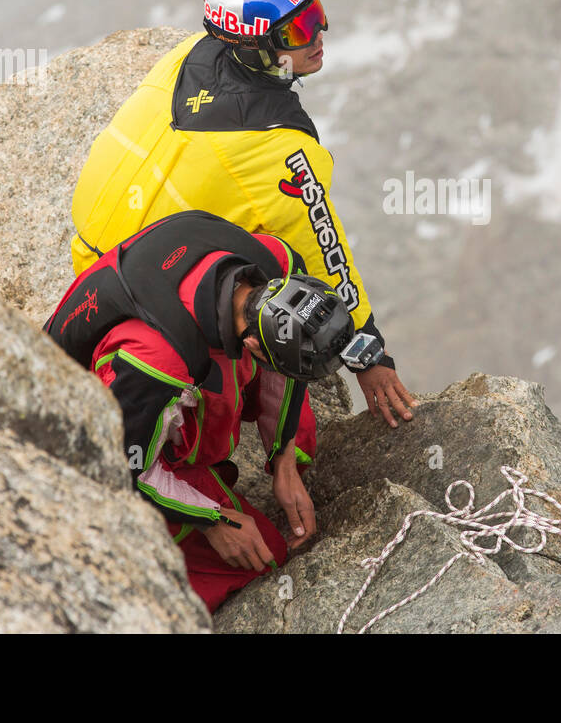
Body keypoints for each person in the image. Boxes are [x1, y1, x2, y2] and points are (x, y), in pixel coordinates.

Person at [68, 0, 415, 428]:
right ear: (258, 49)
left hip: (94, 252)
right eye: (298, 33)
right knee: (278, 275)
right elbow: (323, 250)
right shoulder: (278, 146)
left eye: (315, 15)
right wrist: (369, 355)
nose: (319, 37)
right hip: (137, 294)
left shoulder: (191, 53)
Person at [44, 209, 374, 611]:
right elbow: (116, 462)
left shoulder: (279, 263)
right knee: (260, 555)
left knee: (262, 409)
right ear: (253, 347)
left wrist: (285, 463)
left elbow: (282, 372)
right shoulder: (160, 359)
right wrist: (211, 520)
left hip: (155, 345)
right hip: (78, 437)